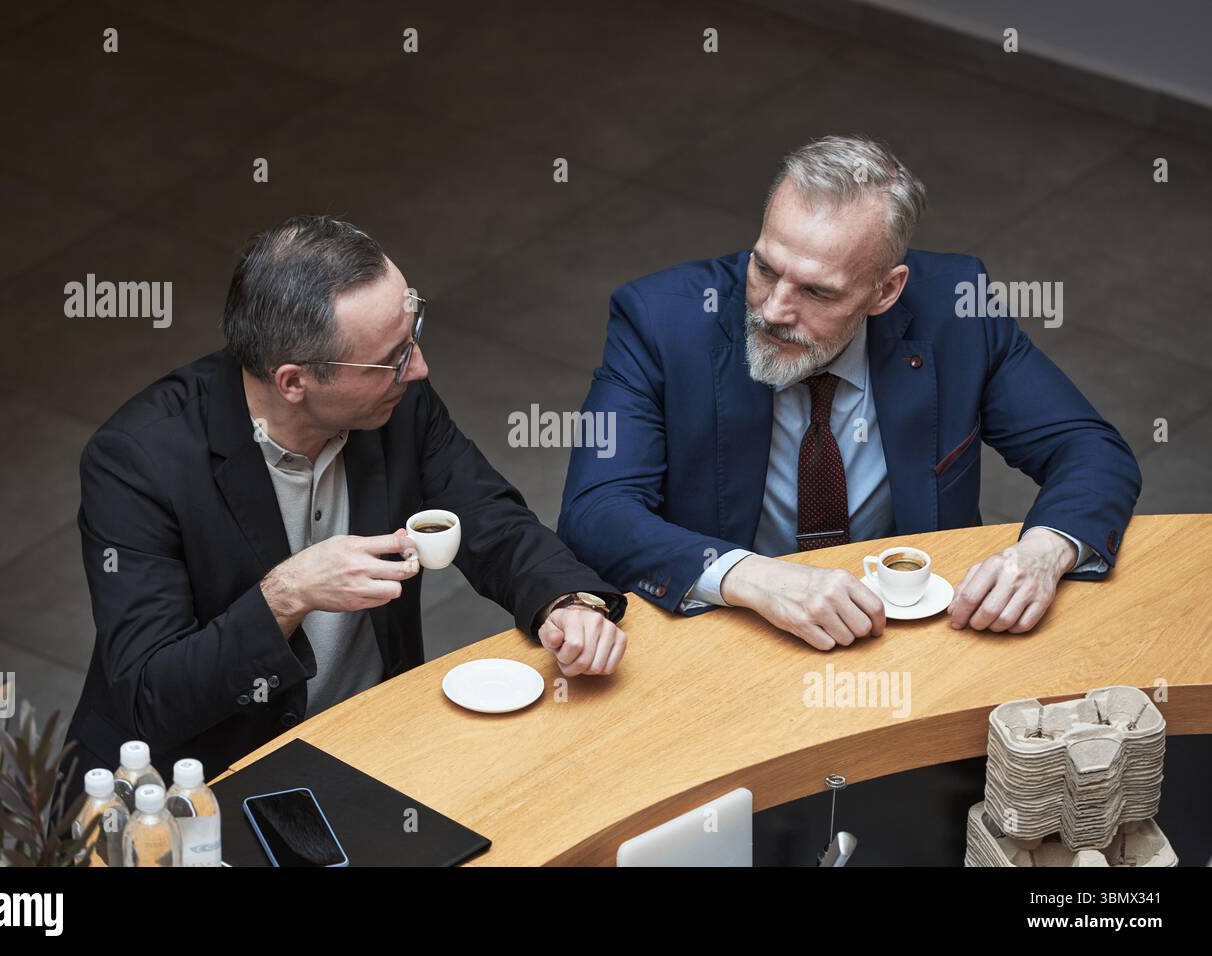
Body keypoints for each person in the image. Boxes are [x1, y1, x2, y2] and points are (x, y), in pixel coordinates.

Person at [62, 215, 628, 784]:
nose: (421, 367)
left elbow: (489, 517)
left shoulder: (396, 398)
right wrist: (287, 595)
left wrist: (567, 601)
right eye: (393, 358)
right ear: (293, 382)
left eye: (414, 334)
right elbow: (152, 693)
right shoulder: (138, 461)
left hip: (368, 748)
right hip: (202, 783)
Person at [559, 135, 1140, 651]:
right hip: (731, 633)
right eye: (764, 269)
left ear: (885, 292)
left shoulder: (955, 309)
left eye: (817, 292)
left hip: (916, 636)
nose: (773, 310)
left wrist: (1041, 555)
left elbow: (1089, 451)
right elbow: (596, 513)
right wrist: (755, 578)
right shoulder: (661, 321)